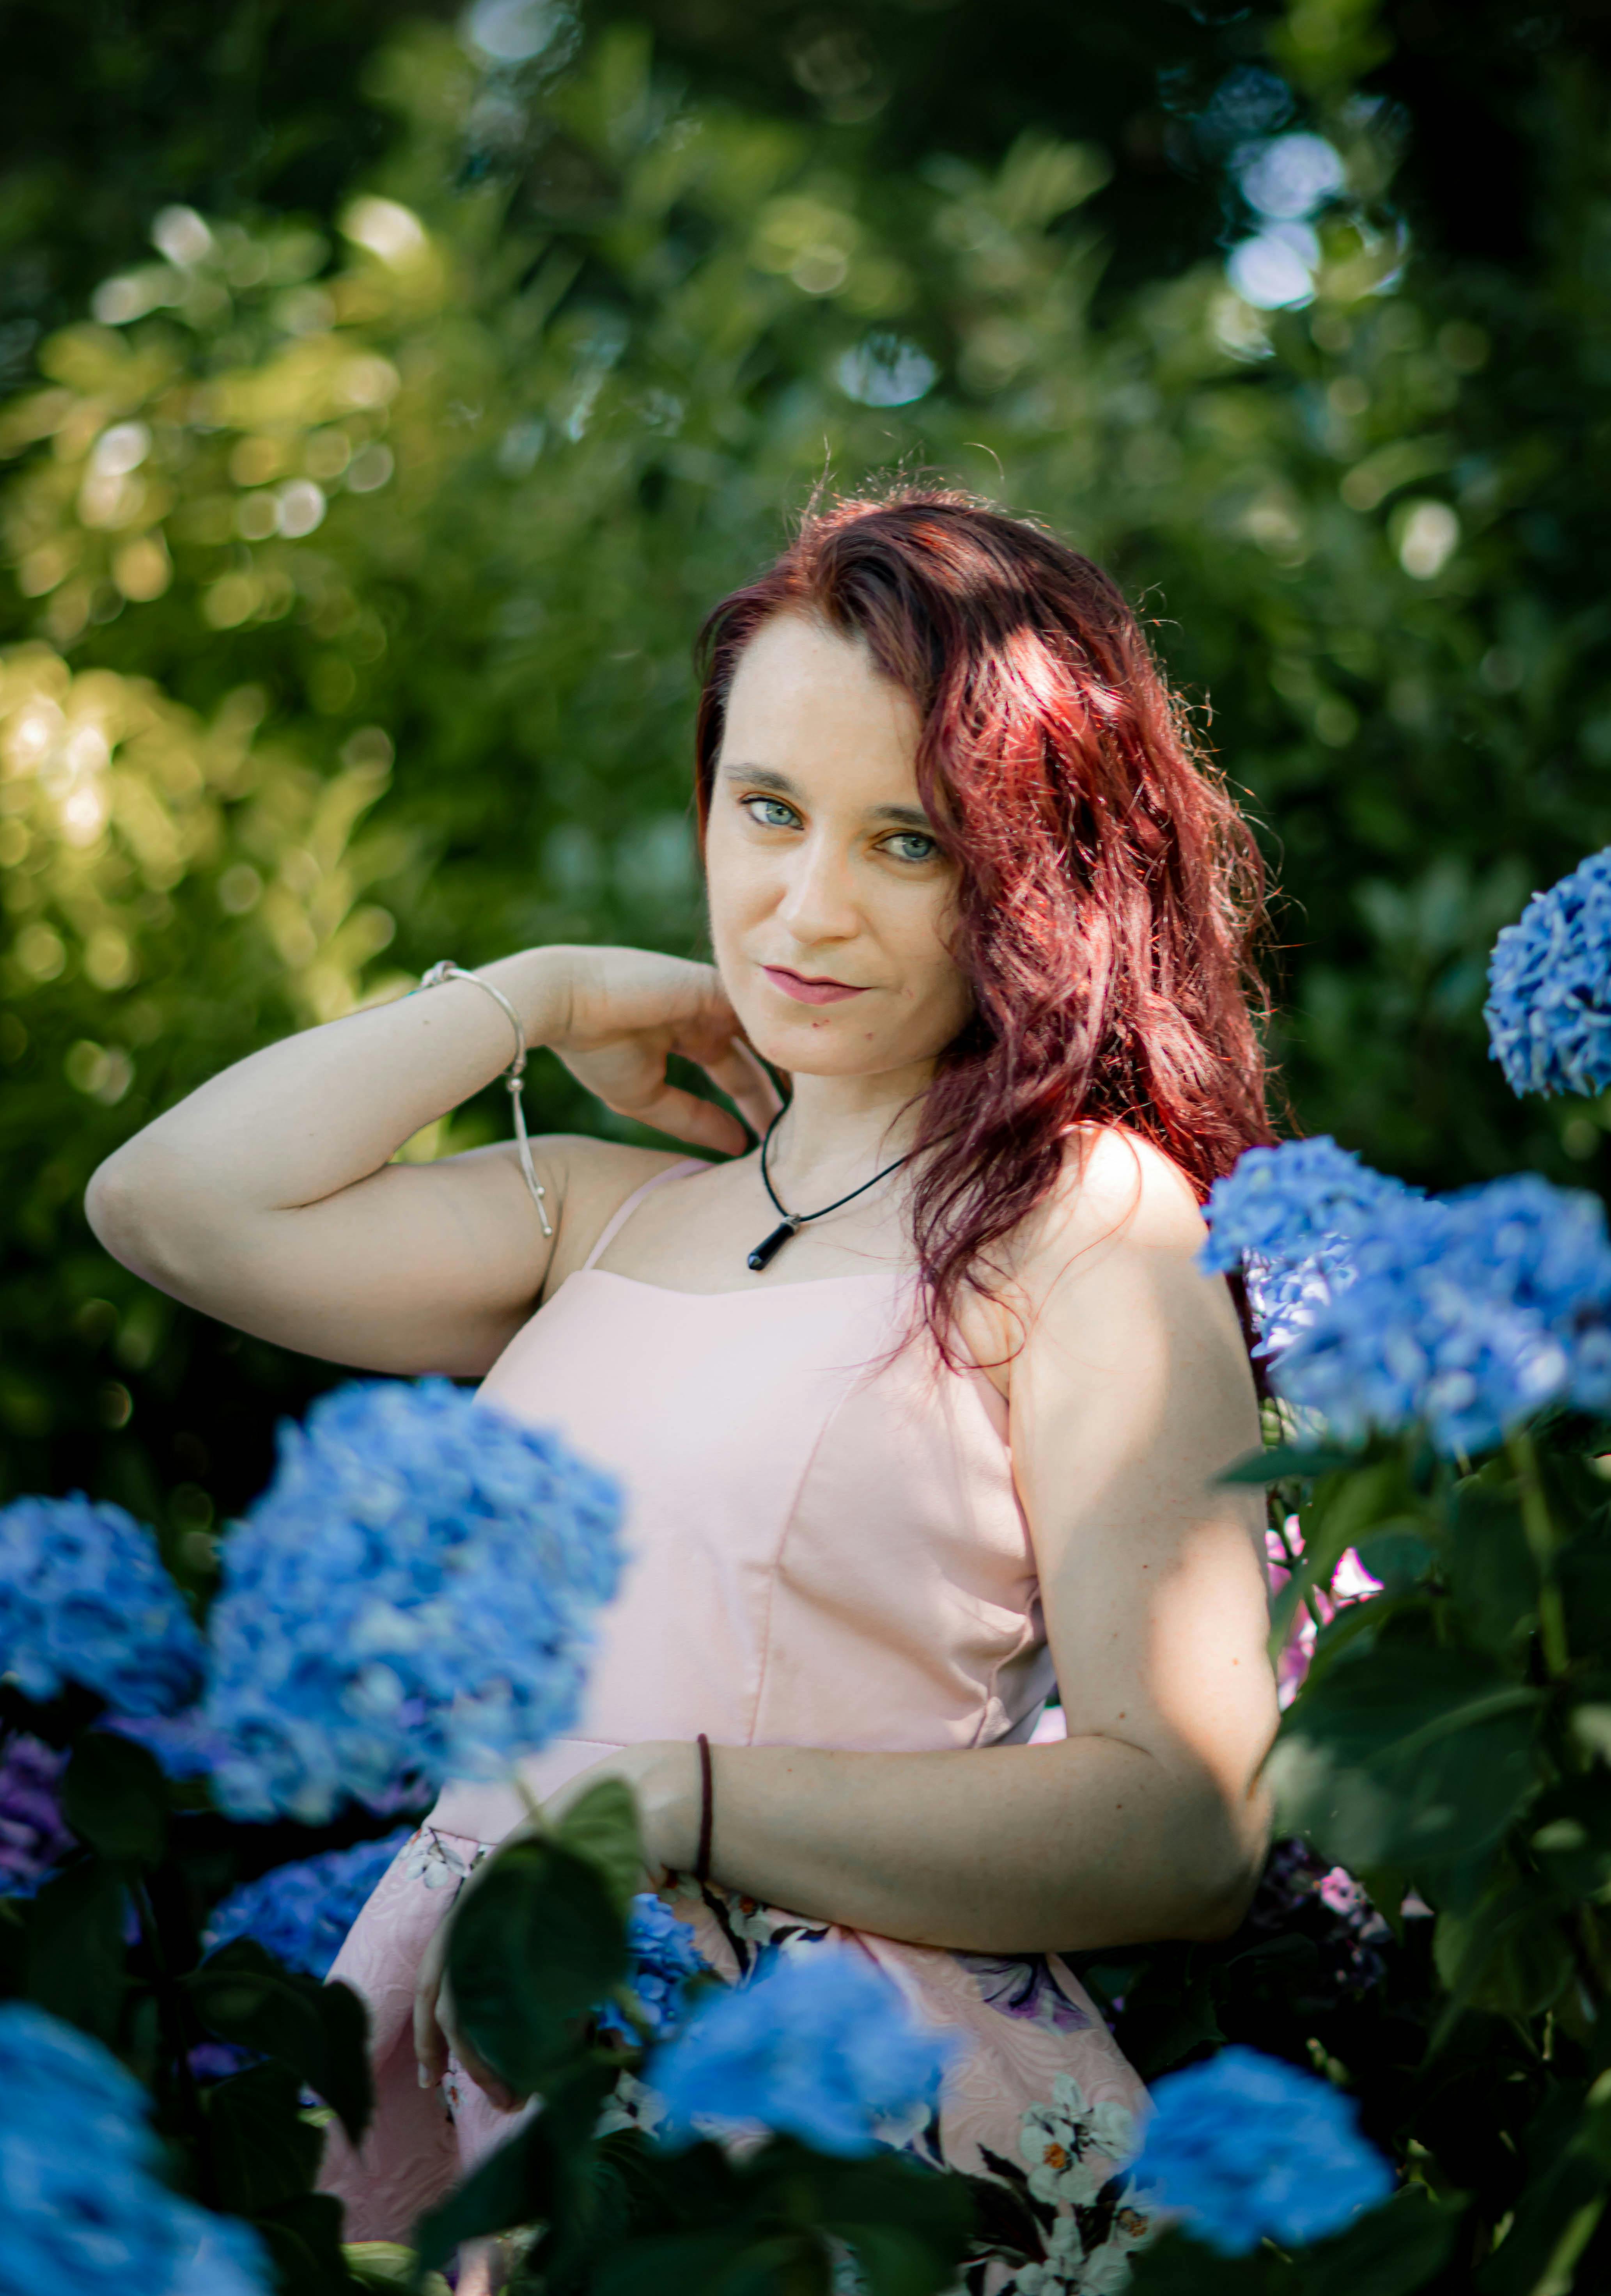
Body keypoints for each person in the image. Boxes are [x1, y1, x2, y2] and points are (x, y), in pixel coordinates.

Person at [86, 484, 1280, 2291]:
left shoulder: (1084, 1217)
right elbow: (169, 1204)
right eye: (768, 807)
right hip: (543, 2087)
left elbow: (1185, 1820)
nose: (806, 904)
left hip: (847, 2139)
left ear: (1036, 870)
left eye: (911, 841)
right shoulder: (603, 1211)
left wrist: (680, 1796)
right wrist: (542, 992)